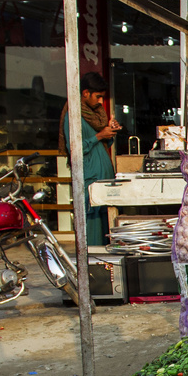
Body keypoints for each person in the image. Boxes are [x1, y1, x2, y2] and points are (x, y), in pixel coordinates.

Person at [59, 71, 119, 246]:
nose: (100, 101)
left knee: (105, 228)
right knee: (93, 230)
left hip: (103, 179)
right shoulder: (74, 115)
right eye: (98, 97)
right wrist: (99, 136)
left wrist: (109, 133)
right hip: (90, 180)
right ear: (85, 93)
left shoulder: (95, 114)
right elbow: (75, 148)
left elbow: (101, 146)